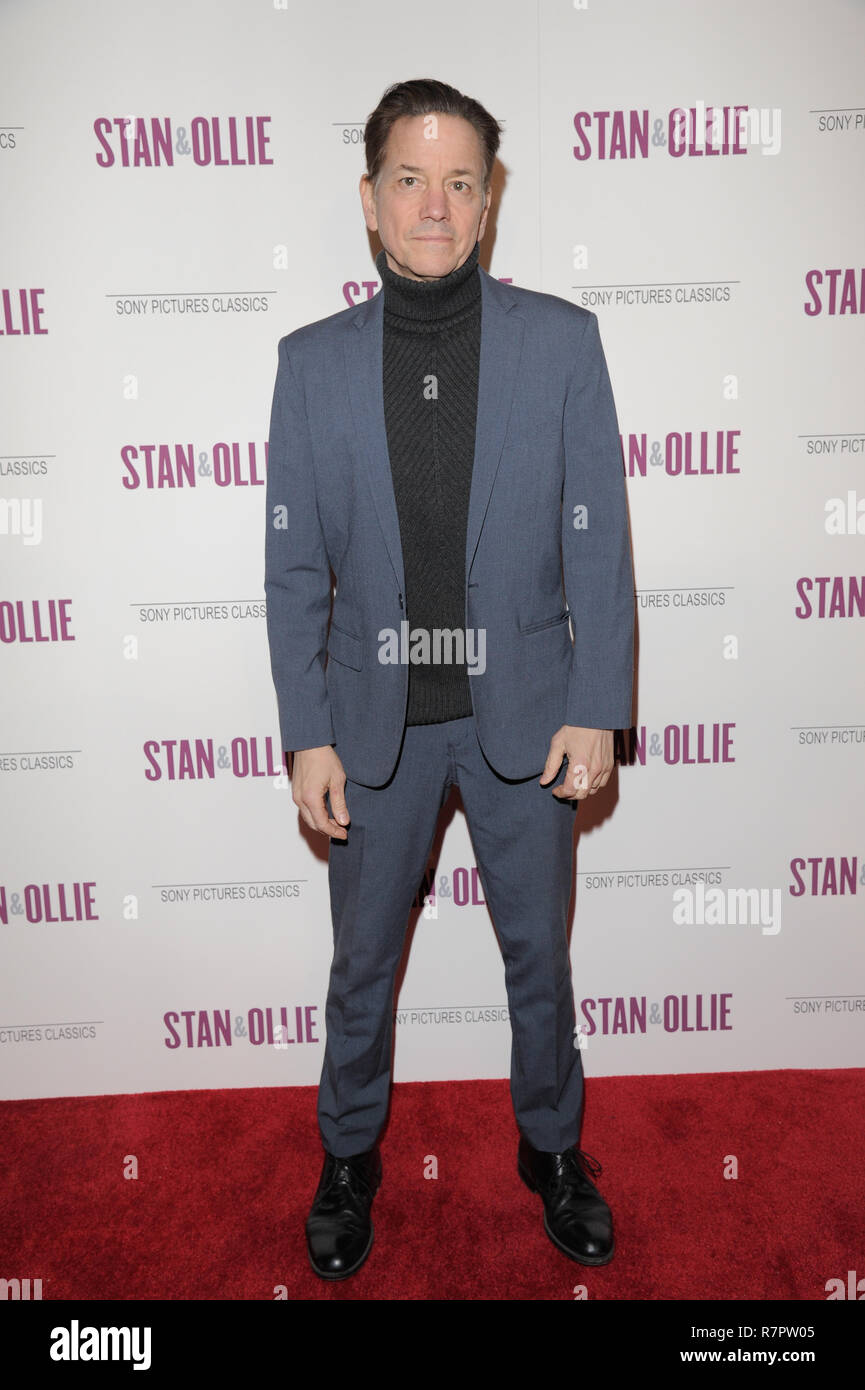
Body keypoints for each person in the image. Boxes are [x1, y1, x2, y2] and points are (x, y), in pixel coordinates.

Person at [264, 78, 635, 1281]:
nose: (435, 203)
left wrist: (597, 703)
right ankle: (349, 1156)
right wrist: (307, 731)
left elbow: (600, 544)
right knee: (360, 963)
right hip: (376, 727)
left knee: (540, 955)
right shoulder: (309, 366)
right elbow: (292, 570)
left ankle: (553, 1152)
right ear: (370, 201)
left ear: (489, 200)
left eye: (460, 179)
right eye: (410, 179)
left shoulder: (563, 344)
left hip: (524, 718)